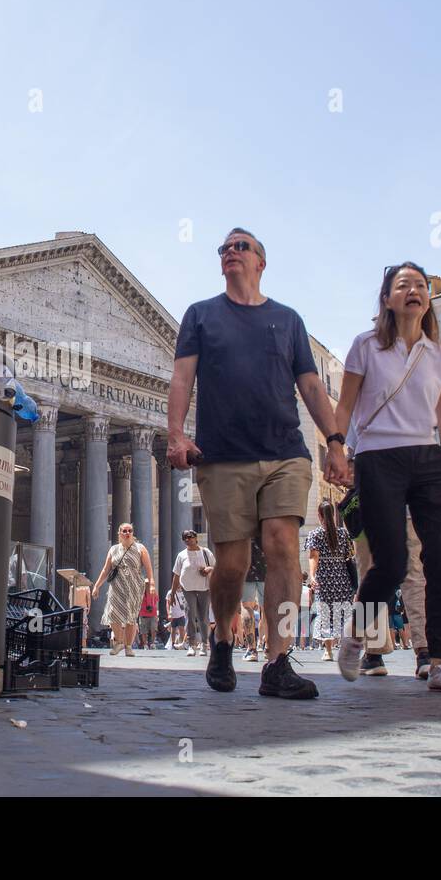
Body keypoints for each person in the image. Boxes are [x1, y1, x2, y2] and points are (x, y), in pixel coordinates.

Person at [169, 228, 348, 699]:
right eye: (224, 248)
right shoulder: (200, 315)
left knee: (284, 545)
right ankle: (223, 640)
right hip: (223, 454)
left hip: (286, 451)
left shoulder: (288, 320)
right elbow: (182, 378)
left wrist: (334, 441)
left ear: (261, 262)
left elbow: (311, 385)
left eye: (240, 246)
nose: (230, 252)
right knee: (232, 561)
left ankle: (278, 659)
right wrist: (175, 433)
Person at [330, 262, 441, 694]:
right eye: (404, 285)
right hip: (378, 458)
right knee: (390, 562)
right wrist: (335, 447)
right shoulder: (366, 346)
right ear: (388, 299)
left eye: (421, 285)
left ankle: (439, 662)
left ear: (427, 299)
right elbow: (345, 405)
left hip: (429, 459)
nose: (414, 290)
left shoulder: (439, 355)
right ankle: (357, 635)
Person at [91, 523, 155, 657]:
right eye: (124, 531)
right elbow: (105, 569)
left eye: (130, 531)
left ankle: (128, 646)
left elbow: (148, 568)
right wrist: (97, 586)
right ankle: (119, 642)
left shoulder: (140, 548)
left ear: (133, 533)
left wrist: (152, 584)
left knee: (130, 617)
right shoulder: (113, 549)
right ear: (119, 533)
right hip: (116, 585)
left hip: (134, 586)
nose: (127, 533)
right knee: (112, 613)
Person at [305, 499, 356, 663]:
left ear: (319, 515)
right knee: (345, 615)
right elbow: (350, 556)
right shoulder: (343, 533)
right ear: (333, 514)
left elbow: (314, 557)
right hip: (342, 579)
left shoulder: (315, 534)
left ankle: (328, 651)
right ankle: (346, 649)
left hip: (324, 580)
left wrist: (312, 577)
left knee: (325, 615)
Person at [171, 529, 215, 657]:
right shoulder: (181, 555)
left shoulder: (206, 552)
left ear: (196, 538)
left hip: (204, 588)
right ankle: (191, 644)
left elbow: (216, 567)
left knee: (203, 617)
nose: (188, 540)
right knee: (190, 616)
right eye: (185, 538)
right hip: (187, 588)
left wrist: (209, 569)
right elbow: (176, 575)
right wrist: (173, 593)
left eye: (190, 537)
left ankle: (204, 644)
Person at [137, 586, 159, 650]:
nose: (147, 585)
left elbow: (156, 600)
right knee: (143, 631)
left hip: (153, 614)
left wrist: (151, 606)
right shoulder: (140, 593)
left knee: (154, 628)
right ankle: (145, 644)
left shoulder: (153, 591)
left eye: (147, 584)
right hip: (143, 614)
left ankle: (152, 643)